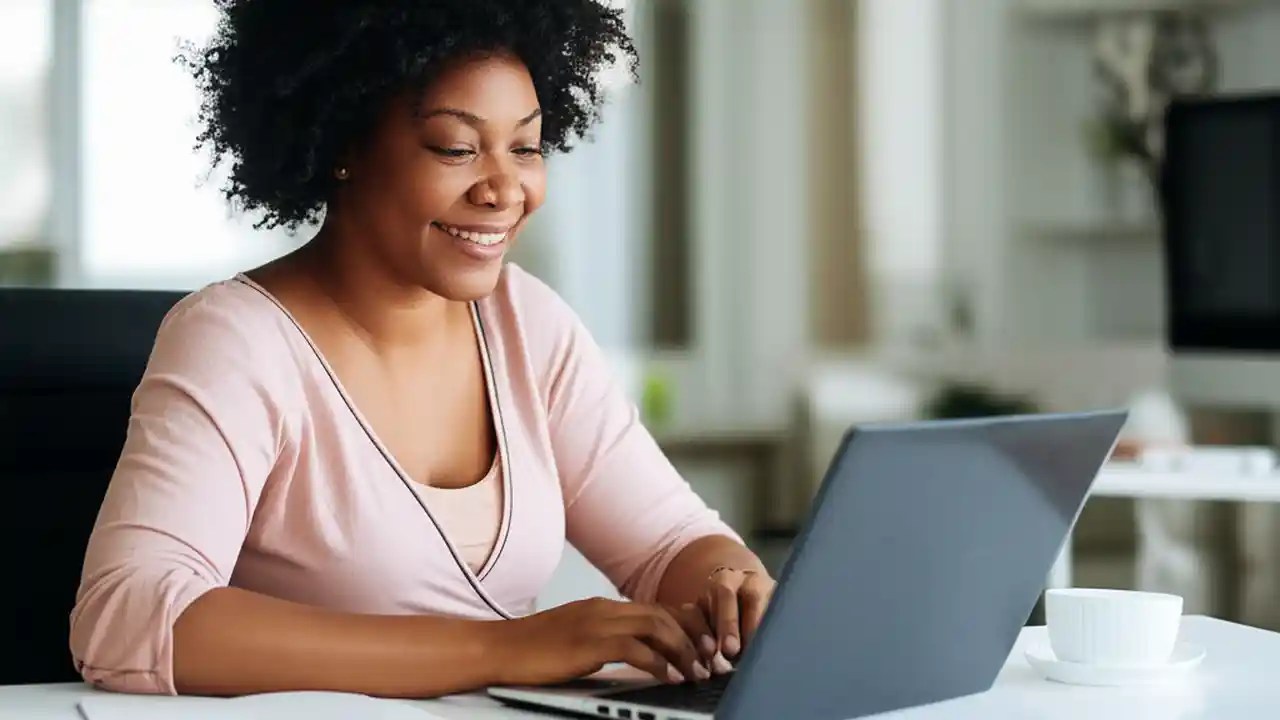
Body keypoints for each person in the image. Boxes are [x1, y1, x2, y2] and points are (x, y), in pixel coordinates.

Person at [68, 0, 776, 700]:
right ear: (344, 145)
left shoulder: (527, 324)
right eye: (457, 148)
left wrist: (728, 588)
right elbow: (132, 615)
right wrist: (503, 649)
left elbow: (668, 545)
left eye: (525, 146)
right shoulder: (238, 341)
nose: (506, 189)